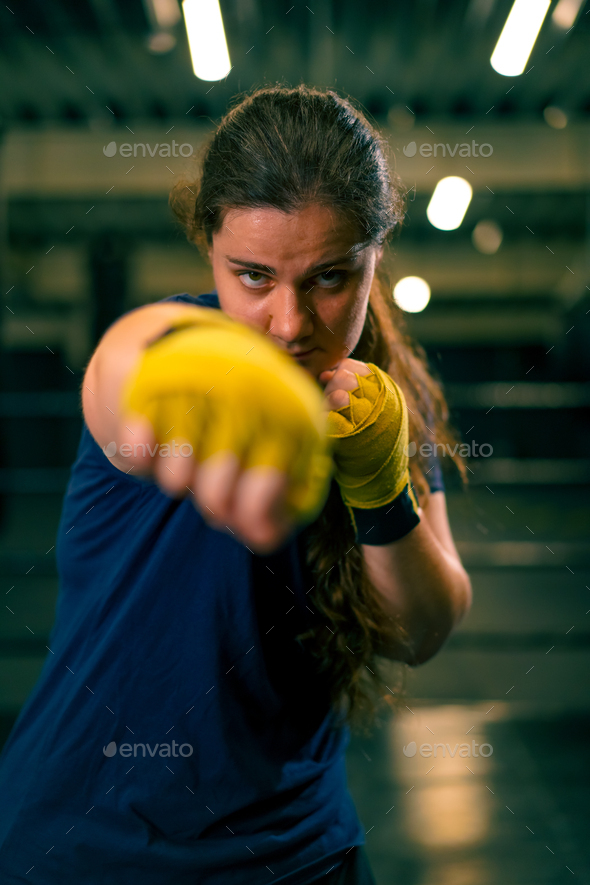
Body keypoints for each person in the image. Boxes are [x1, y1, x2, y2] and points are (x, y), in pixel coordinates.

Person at [0, 84, 472, 884]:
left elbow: (423, 628)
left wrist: (379, 490)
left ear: (375, 258)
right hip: (81, 848)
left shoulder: (386, 407)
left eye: (329, 278)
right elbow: (127, 365)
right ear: (207, 248)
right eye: (252, 276)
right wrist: (182, 408)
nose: (289, 323)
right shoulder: (174, 345)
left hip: (299, 854)